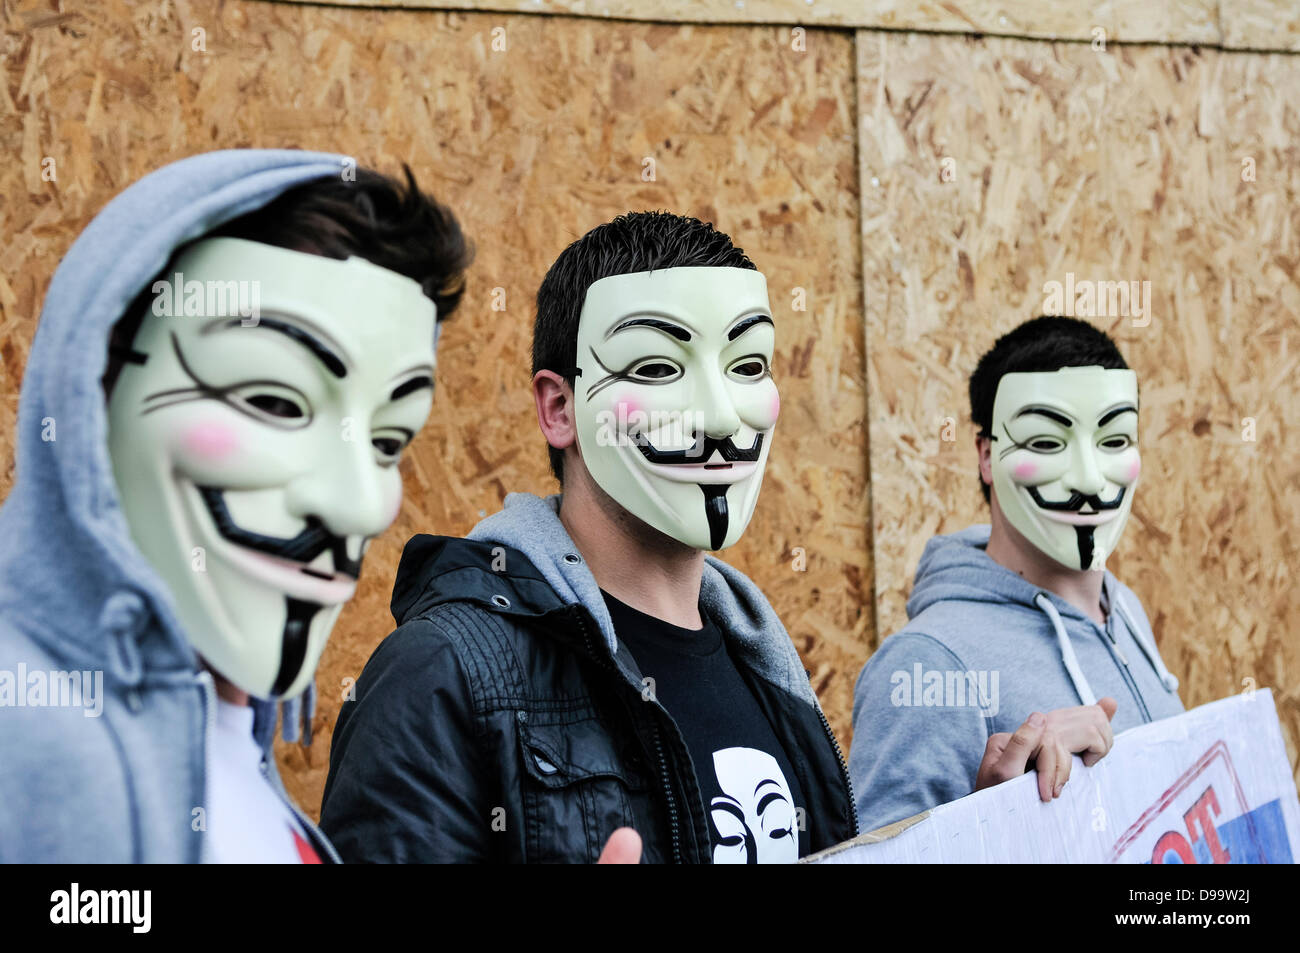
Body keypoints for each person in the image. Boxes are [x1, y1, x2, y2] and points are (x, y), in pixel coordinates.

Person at [320, 211, 859, 863]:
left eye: (747, 365)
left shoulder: (768, 668)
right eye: (657, 368)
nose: (720, 418)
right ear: (560, 409)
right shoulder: (439, 675)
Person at [0, 149, 471, 862]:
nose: (360, 506)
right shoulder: (28, 734)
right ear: (93, 383)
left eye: (387, 441)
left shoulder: (232, 747)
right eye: (275, 402)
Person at [848, 316, 1184, 833]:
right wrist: (996, 819)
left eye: (1114, 440)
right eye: (1046, 444)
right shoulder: (925, 663)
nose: (1090, 480)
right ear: (987, 457)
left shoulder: (1125, 611)